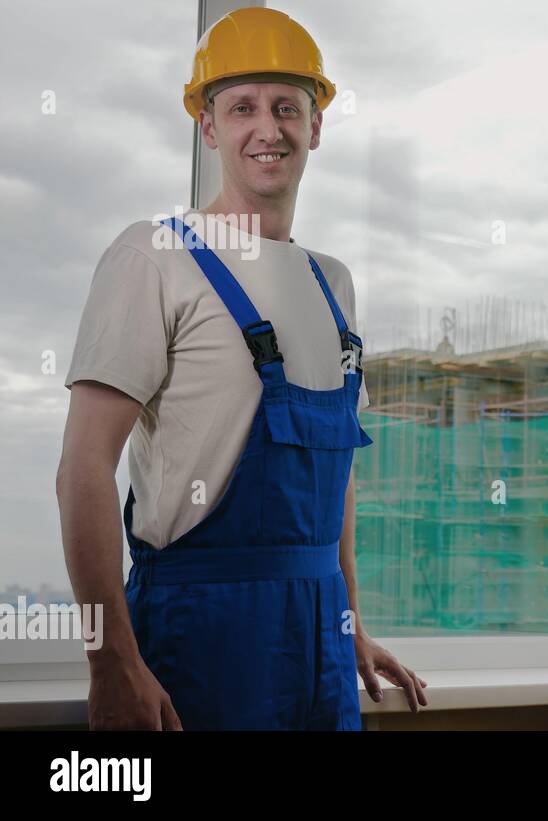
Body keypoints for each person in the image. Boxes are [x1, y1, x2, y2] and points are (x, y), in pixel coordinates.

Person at [55, 6, 427, 730]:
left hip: (321, 652)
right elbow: (80, 471)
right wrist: (113, 662)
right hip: (199, 641)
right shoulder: (152, 257)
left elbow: (336, 475)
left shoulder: (334, 284)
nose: (269, 128)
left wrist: (348, 623)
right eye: (243, 107)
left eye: (288, 107)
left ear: (315, 126)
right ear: (208, 126)